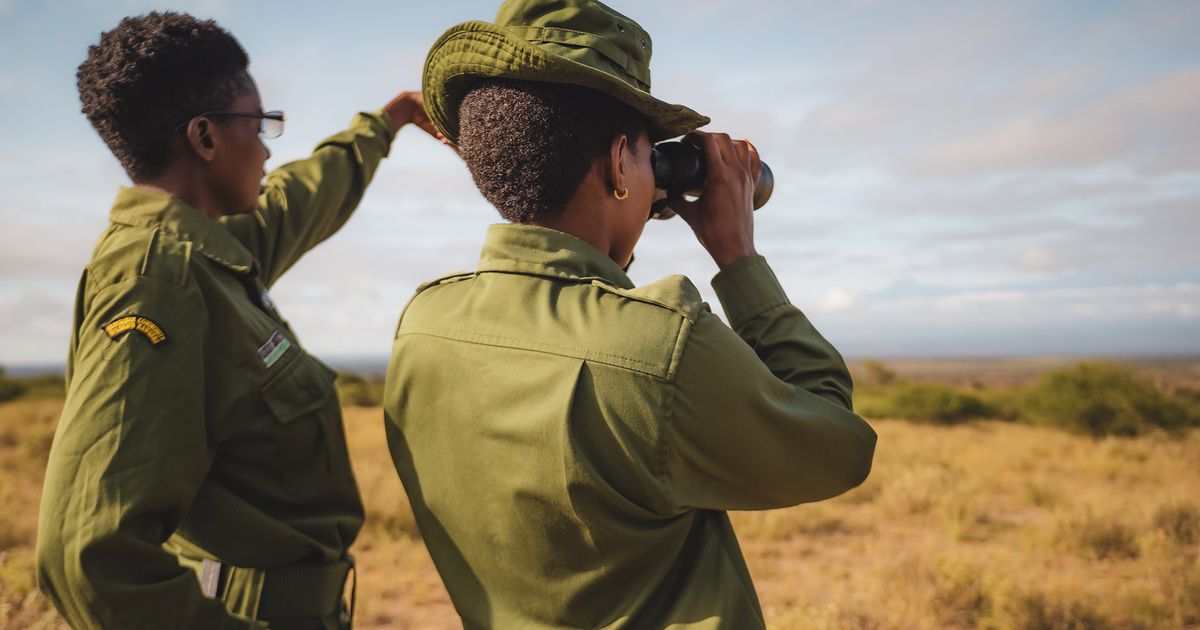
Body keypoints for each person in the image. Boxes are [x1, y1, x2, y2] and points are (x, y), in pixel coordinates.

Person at [382, 0, 879, 628]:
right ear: (620, 161)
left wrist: (621, 228)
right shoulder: (662, 351)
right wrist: (739, 258)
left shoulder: (424, 324)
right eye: (649, 155)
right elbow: (837, 444)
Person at [37, 11, 444, 629]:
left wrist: (389, 121)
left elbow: (299, 197)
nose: (265, 146)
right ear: (204, 138)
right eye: (260, 126)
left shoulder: (210, 248)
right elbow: (85, 556)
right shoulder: (158, 282)